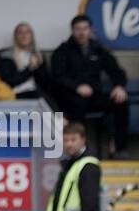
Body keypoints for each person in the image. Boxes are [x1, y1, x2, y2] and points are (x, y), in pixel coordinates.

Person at [50, 15, 129, 156]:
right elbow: (57, 77)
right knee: (76, 104)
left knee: (121, 101)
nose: (81, 32)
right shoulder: (62, 51)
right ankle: (79, 150)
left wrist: (119, 86)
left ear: (90, 30)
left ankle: (118, 146)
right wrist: (76, 87)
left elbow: (116, 71)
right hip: (70, 98)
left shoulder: (99, 50)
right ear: (72, 31)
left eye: (84, 29)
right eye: (78, 29)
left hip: (94, 96)